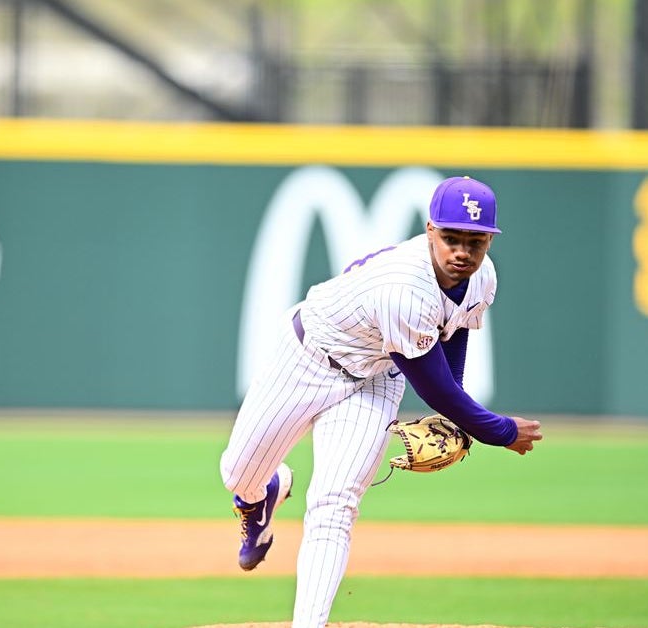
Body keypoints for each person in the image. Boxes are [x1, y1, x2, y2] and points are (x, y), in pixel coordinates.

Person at [219, 176, 543, 627]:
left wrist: (455, 414)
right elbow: (433, 387)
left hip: (374, 377)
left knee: (335, 504)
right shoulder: (404, 286)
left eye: (475, 240)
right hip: (307, 356)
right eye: (451, 237)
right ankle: (263, 494)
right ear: (431, 230)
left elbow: (453, 336)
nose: (462, 252)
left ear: (489, 239)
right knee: (237, 472)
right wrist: (496, 430)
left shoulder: (481, 278)